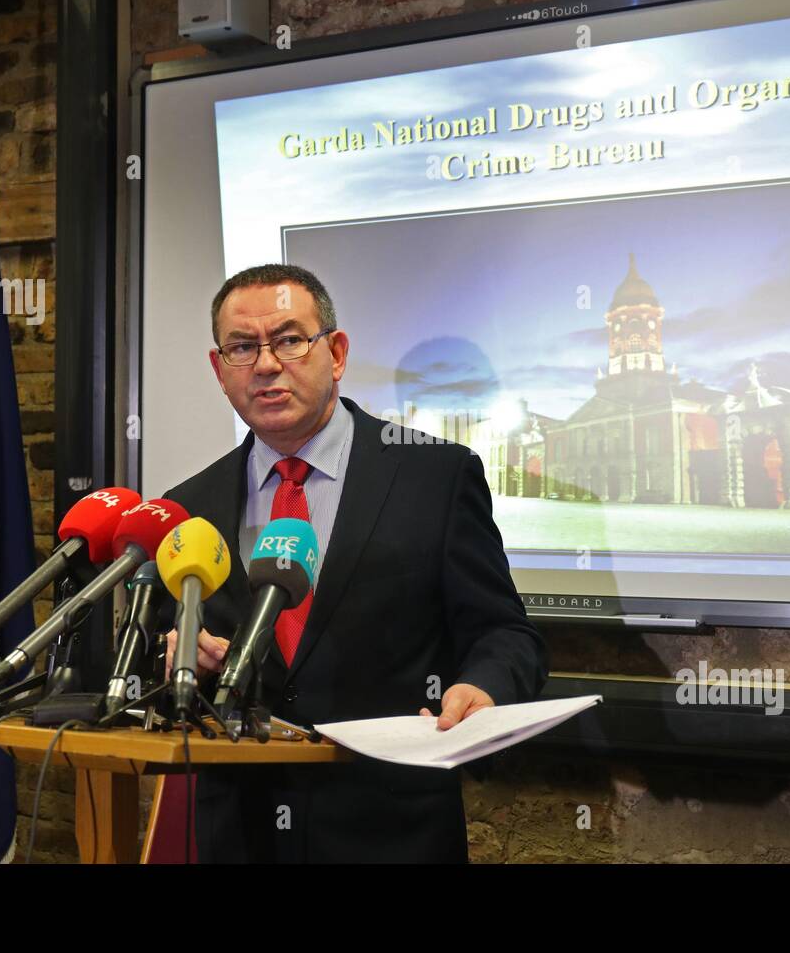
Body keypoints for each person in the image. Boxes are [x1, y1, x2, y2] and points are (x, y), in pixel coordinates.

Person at [162, 263, 548, 862]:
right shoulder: (187, 508)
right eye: (242, 347)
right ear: (220, 369)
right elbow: (152, 676)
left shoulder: (435, 477)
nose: (265, 364)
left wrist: (483, 686)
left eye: (289, 340)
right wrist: (180, 665)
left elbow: (504, 632)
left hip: (391, 831)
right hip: (241, 835)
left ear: (336, 353)